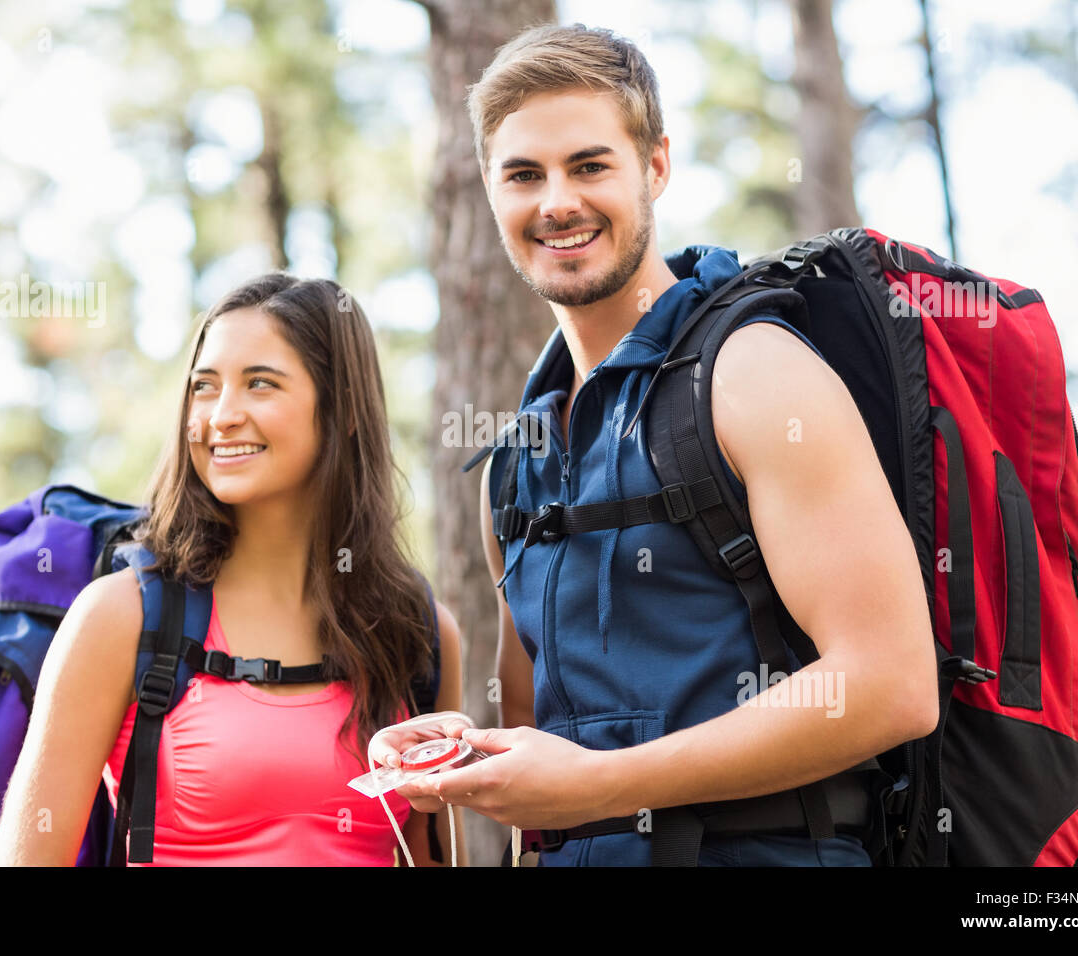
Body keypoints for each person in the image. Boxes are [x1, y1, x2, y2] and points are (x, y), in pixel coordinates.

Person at [380, 23, 939, 866]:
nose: (556, 201)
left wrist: (603, 785)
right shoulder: (515, 463)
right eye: (523, 174)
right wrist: (456, 758)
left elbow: (891, 686)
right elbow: (541, 735)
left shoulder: (754, 374)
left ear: (657, 167)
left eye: (590, 164)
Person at [0, 273, 464, 866]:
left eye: (260, 384)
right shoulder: (120, 619)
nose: (221, 416)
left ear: (343, 409)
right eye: (204, 387)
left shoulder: (418, 631)